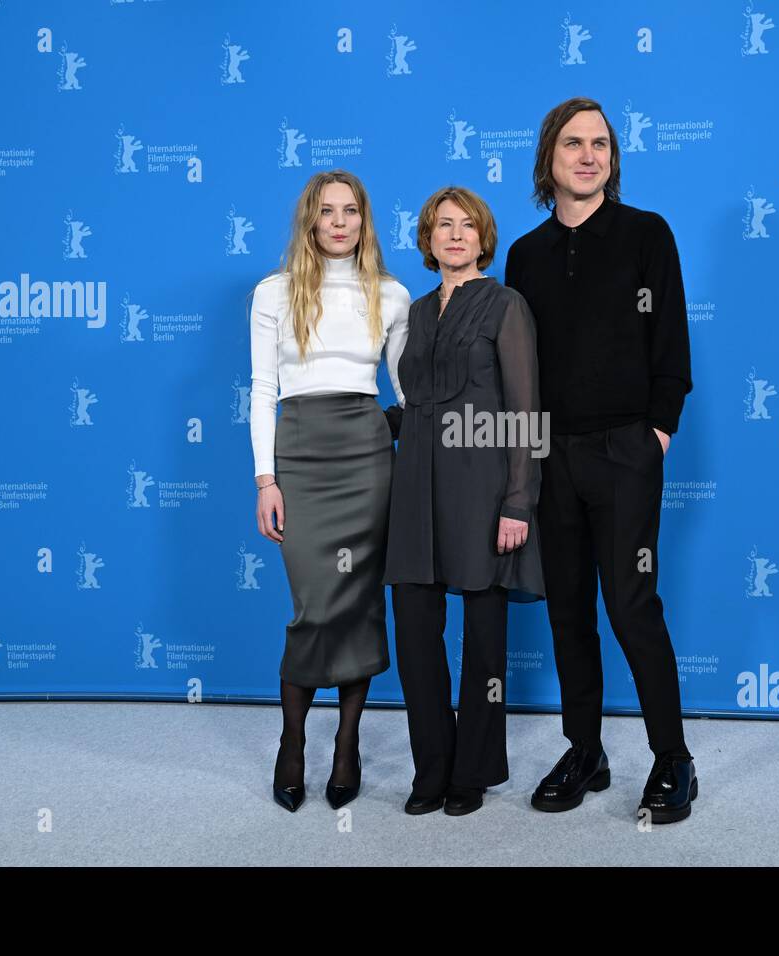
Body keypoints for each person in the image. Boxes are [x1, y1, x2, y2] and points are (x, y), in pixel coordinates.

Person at [503, 97, 697, 824]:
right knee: (567, 612)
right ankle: (585, 749)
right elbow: (514, 369)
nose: (590, 155)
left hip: (625, 450)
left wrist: (658, 434)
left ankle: (673, 758)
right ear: (548, 159)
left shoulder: (647, 234)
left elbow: (671, 345)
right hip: (550, 455)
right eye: (575, 144)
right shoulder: (525, 255)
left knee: (631, 606)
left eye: (603, 145)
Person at [248, 169, 410, 812]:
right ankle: (293, 742)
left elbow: (409, 390)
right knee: (315, 604)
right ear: (309, 222)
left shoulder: (391, 295)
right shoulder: (273, 292)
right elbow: (263, 390)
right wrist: (266, 478)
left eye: (351, 212)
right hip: (301, 451)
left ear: (365, 221)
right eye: (326, 212)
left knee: (358, 602)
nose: (339, 222)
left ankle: (347, 743)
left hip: (367, 456)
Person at [384, 186, 545, 817]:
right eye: (443, 225)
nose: (455, 235)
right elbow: (413, 403)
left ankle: (472, 771)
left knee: (484, 639)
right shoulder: (417, 313)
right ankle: (432, 768)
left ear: (483, 237)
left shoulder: (506, 306)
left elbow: (526, 413)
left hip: (484, 492)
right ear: (427, 239)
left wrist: (518, 501)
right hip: (415, 490)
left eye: (467, 225)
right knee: (416, 635)